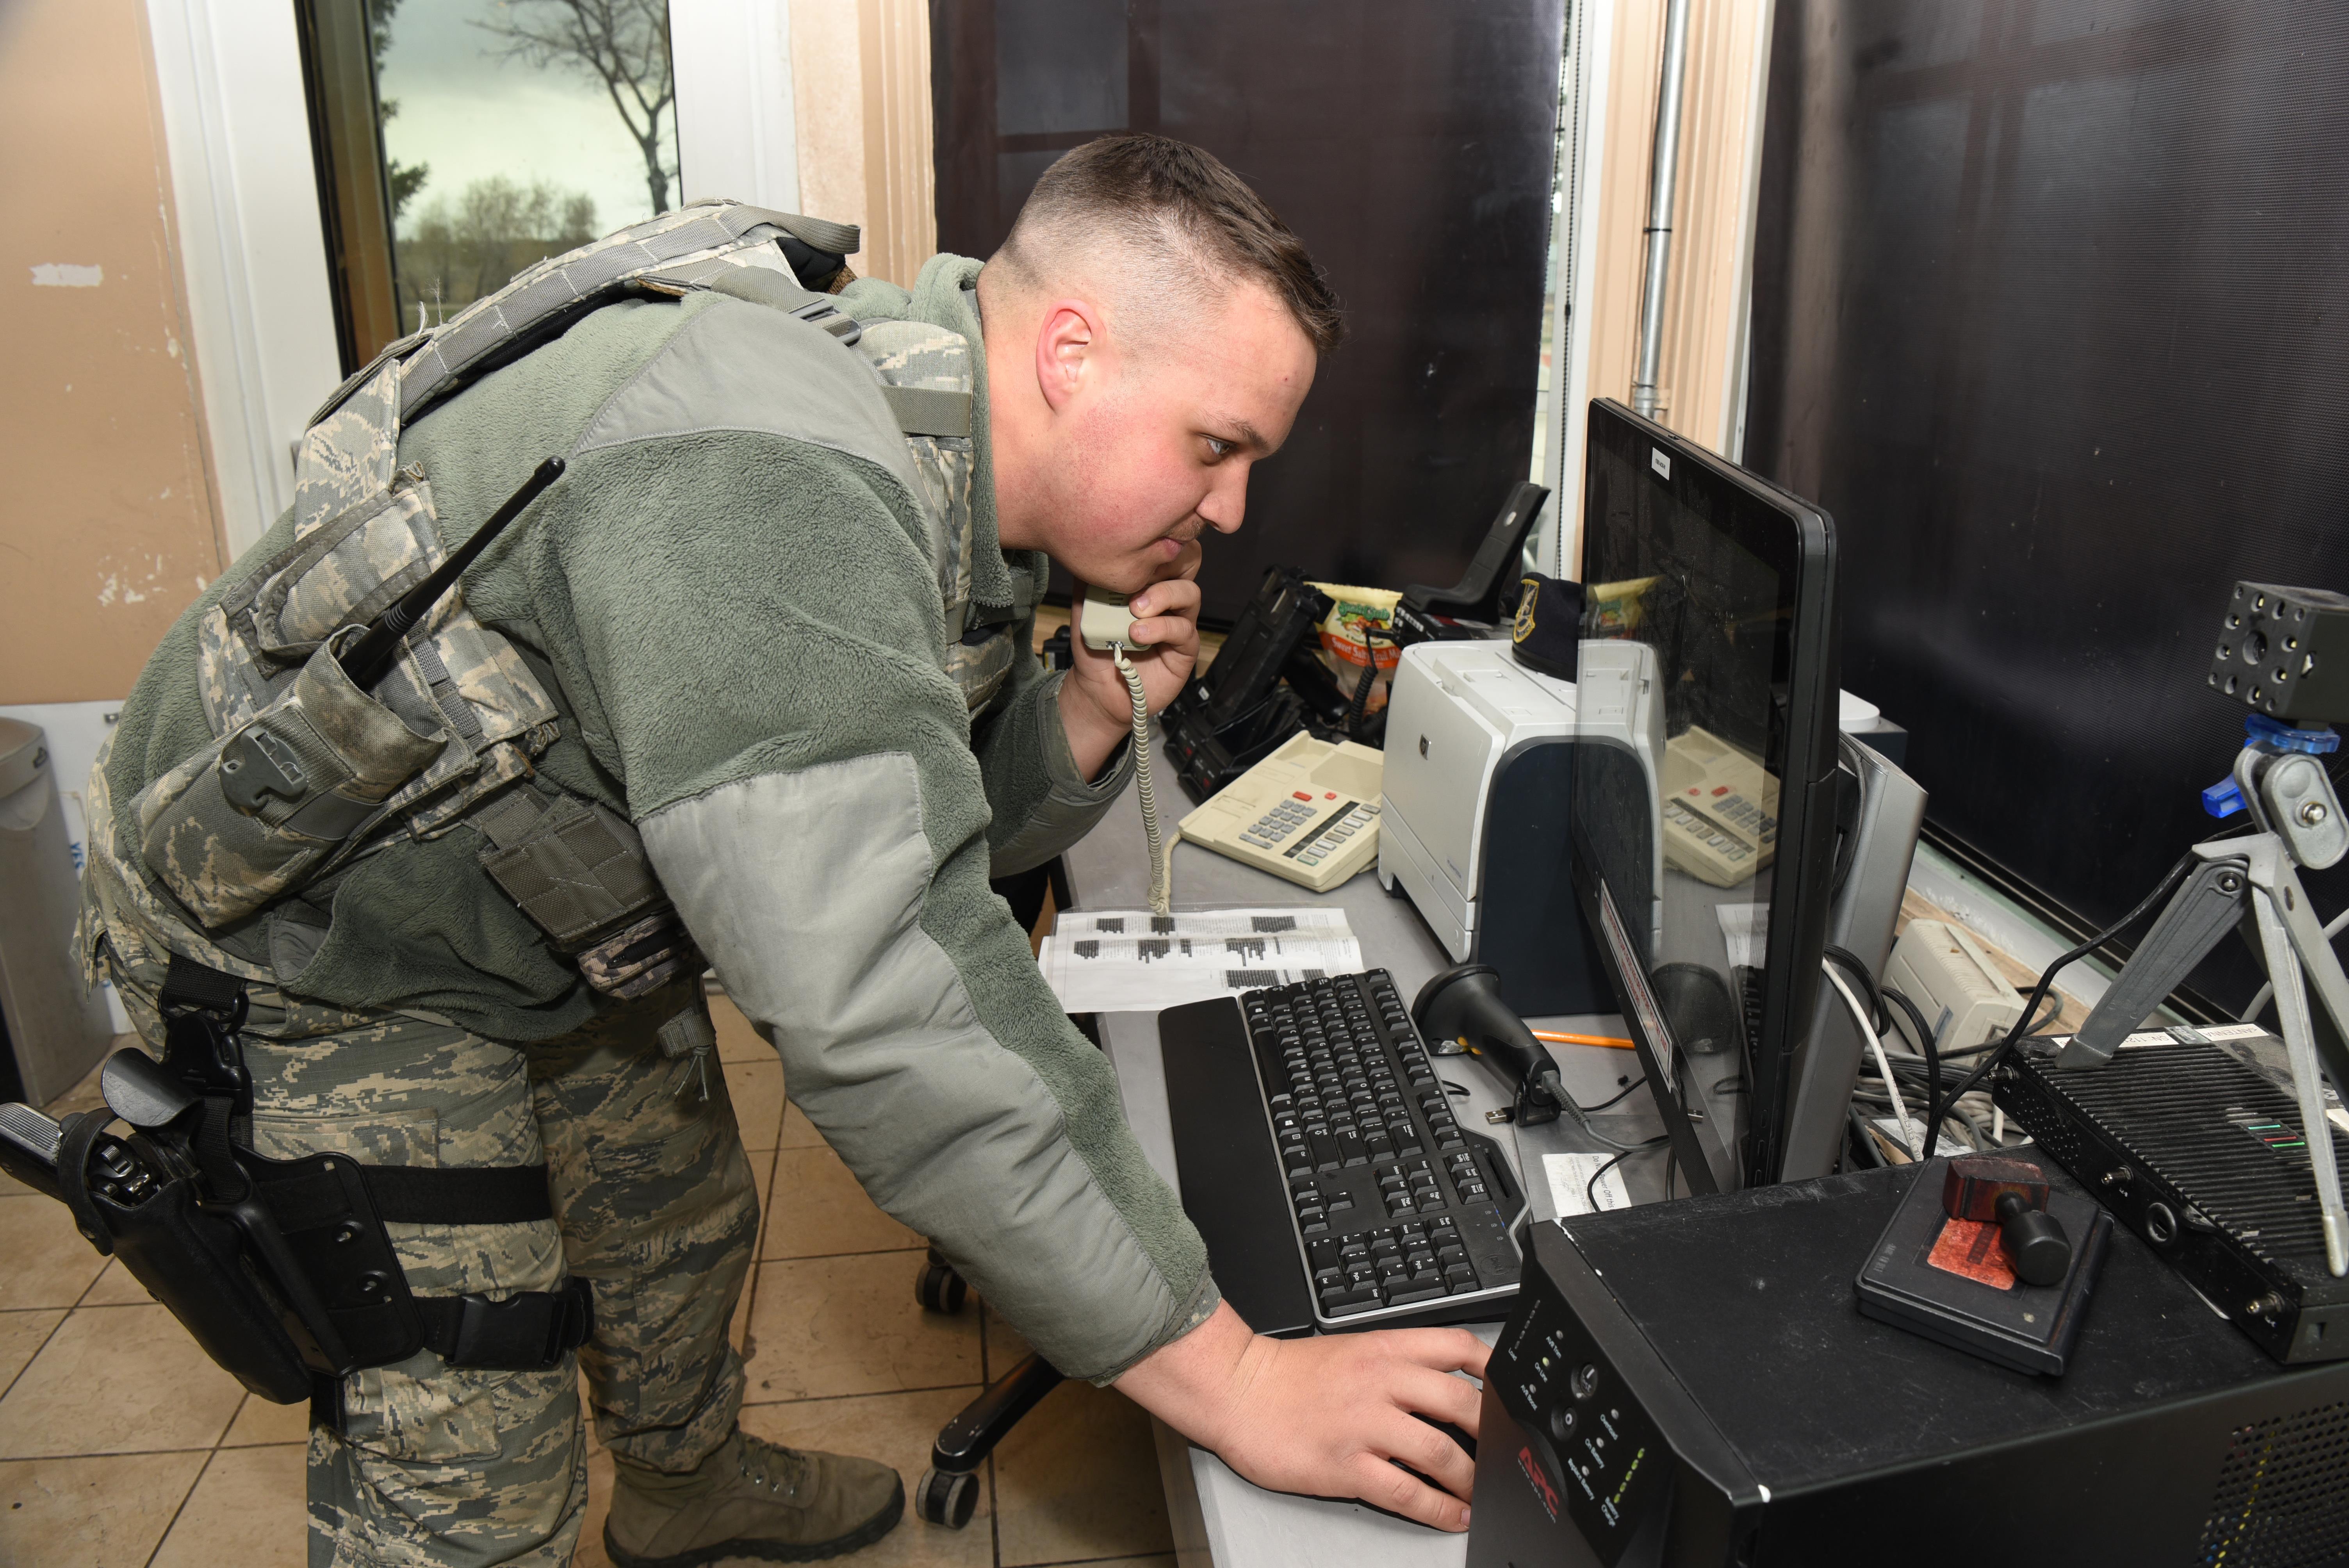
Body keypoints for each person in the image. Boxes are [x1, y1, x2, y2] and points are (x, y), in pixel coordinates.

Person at [81, 133, 1487, 1567]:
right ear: (1073, 352)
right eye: (1219, 445)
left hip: (530, 905)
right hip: (321, 951)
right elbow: (886, 989)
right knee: (472, 1462)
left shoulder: (932, 444)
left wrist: (1075, 707)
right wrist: (1231, 1375)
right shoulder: (769, 476)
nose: (1237, 508)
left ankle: (686, 1489)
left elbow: (891, 812)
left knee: (675, 1216)